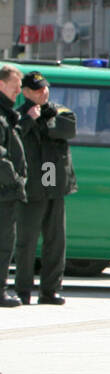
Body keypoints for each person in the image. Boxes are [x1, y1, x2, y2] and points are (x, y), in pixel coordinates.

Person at [14, 71, 77, 305]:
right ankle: (22, 290)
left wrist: (45, 120)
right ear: (26, 92)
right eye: (38, 89)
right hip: (32, 186)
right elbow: (15, 135)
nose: (44, 92)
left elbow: (68, 127)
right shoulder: (19, 116)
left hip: (53, 183)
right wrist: (30, 119)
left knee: (55, 240)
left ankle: (50, 290)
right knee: (26, 241)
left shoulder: (57, 110)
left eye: (45, 88)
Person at [0, 65, 27, 308]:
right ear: (1, 85)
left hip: (6, 190)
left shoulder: (7, 113)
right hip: (3, 191)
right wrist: (16, 181)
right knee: (4, 243)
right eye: (15, 87)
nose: (18, 92)